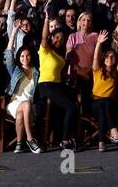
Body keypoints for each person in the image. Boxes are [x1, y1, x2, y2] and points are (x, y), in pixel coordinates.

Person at [35, 14, 79, 151]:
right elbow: (43, 37)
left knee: (75, 105)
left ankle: (71, 136)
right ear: (52, 38)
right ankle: (64, 140)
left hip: (58, 85)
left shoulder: (60, 55)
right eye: (56, 37)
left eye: (61, 38)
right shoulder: (45, 50)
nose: (59, 40)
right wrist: (47, 20)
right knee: (70, 107)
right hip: (46, 84)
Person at [90, 30, 118, 151]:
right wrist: (99, 43)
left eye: (112, 57)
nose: (110, 58)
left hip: (110, 105)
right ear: (104, 58)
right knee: (103, 104)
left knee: (104, 109)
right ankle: (114, 132)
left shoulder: (116, 73)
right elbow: (95, 57)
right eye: (108, 56)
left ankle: (101, 143)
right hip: (95, 102)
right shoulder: (97, 70)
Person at [5, 44, 41, 153]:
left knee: (21, 114)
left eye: (27, 55)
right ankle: (30, 139)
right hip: (14, 104)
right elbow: (8, 54)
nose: (25, 58)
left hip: (30, 107)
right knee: (26, 104)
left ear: (31, 56)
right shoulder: (15, 70)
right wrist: (14, 32)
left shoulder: (36, 72)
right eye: (22, 56)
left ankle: (19, 144)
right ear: (19, 58)